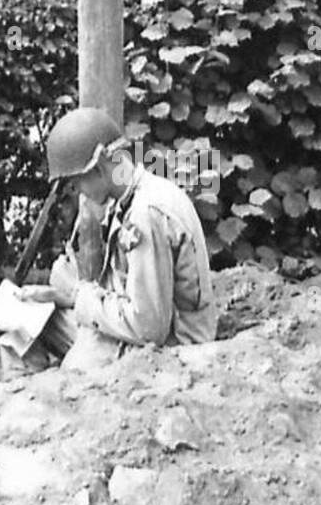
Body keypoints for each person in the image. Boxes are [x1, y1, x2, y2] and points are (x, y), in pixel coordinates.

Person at [16, 106, 216, 369]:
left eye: (77, 183)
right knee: (25, 318)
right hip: (138, 331)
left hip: (170, 350)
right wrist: (67, 296)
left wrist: (82, 300)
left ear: (99, 165)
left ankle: (41, 396)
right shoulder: (130, 198)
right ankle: (23, 391)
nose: (79, 192)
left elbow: (148, 327)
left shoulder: (146, 214)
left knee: (72, 371)